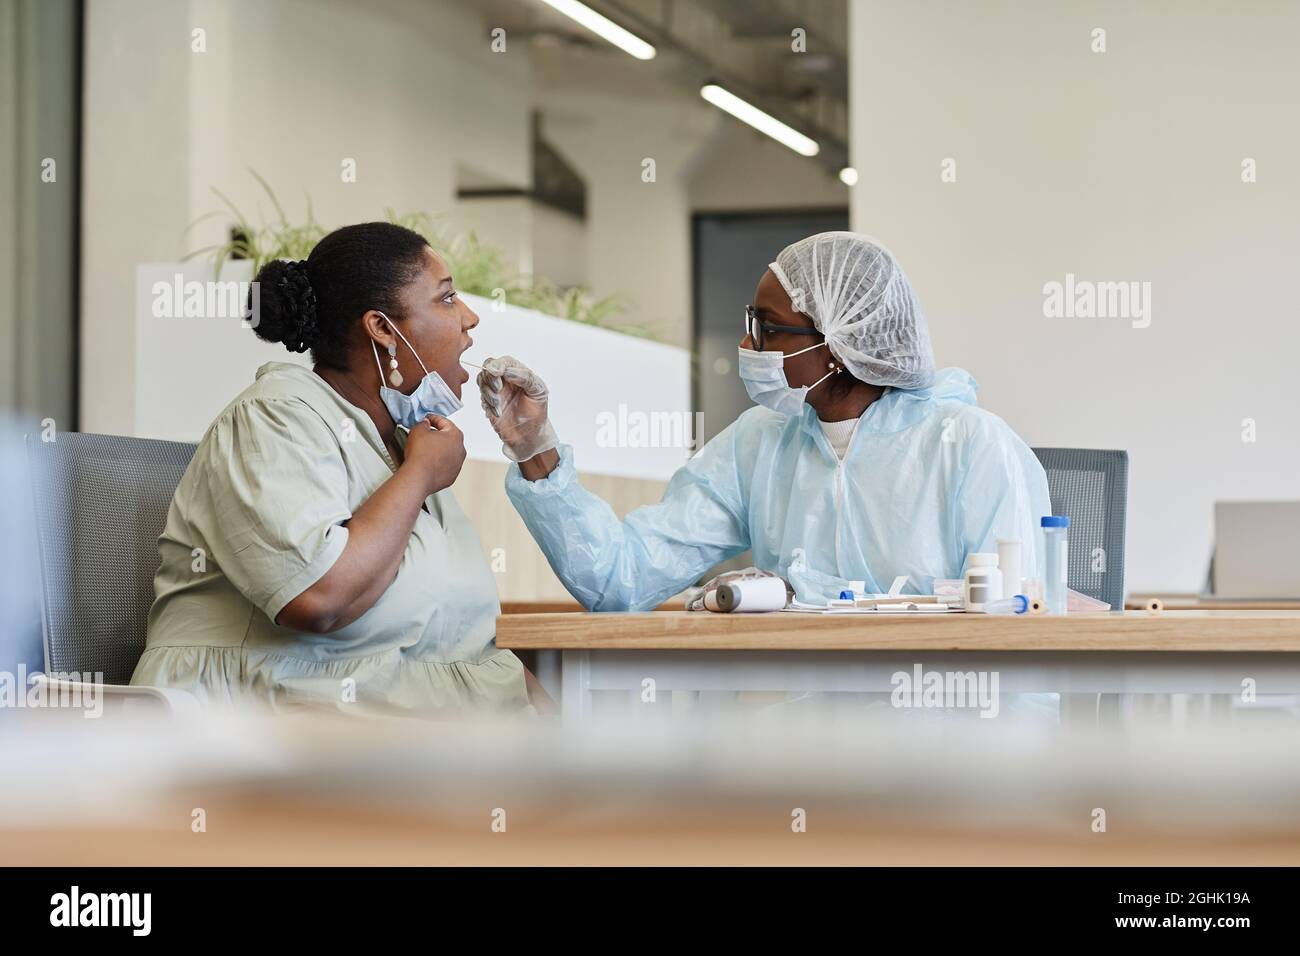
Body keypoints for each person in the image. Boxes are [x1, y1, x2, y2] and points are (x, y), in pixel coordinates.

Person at [478, 231, 1050, 611]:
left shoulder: (969, 447)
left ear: (836, 343)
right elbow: (620, 580)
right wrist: (535, 450)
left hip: (949, 760)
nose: (747, 344)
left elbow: (1010, 623)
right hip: (794, 758)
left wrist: (800, 592)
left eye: (768, 328)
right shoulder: (759, 446)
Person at [132, 222, 547, 716]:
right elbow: (317, 597)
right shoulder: (275, 416)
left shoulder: (398, 441)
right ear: (383, 330)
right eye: (447, 298)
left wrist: (565, 740)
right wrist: (417, 476)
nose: (470, 317)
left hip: (403, 742)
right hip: (265, 733)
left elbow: (468, 649)